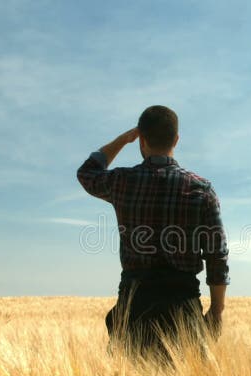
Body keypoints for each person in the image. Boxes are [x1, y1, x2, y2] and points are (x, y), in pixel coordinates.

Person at [76, 105, 230, 361]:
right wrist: (216, 310)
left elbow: (87, 172)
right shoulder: (202, 189)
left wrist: (123, 140)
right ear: (176, 140)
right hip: (183, 308)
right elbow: (217, 256)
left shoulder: (122, 182)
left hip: (134, 307)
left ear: (142, 140)